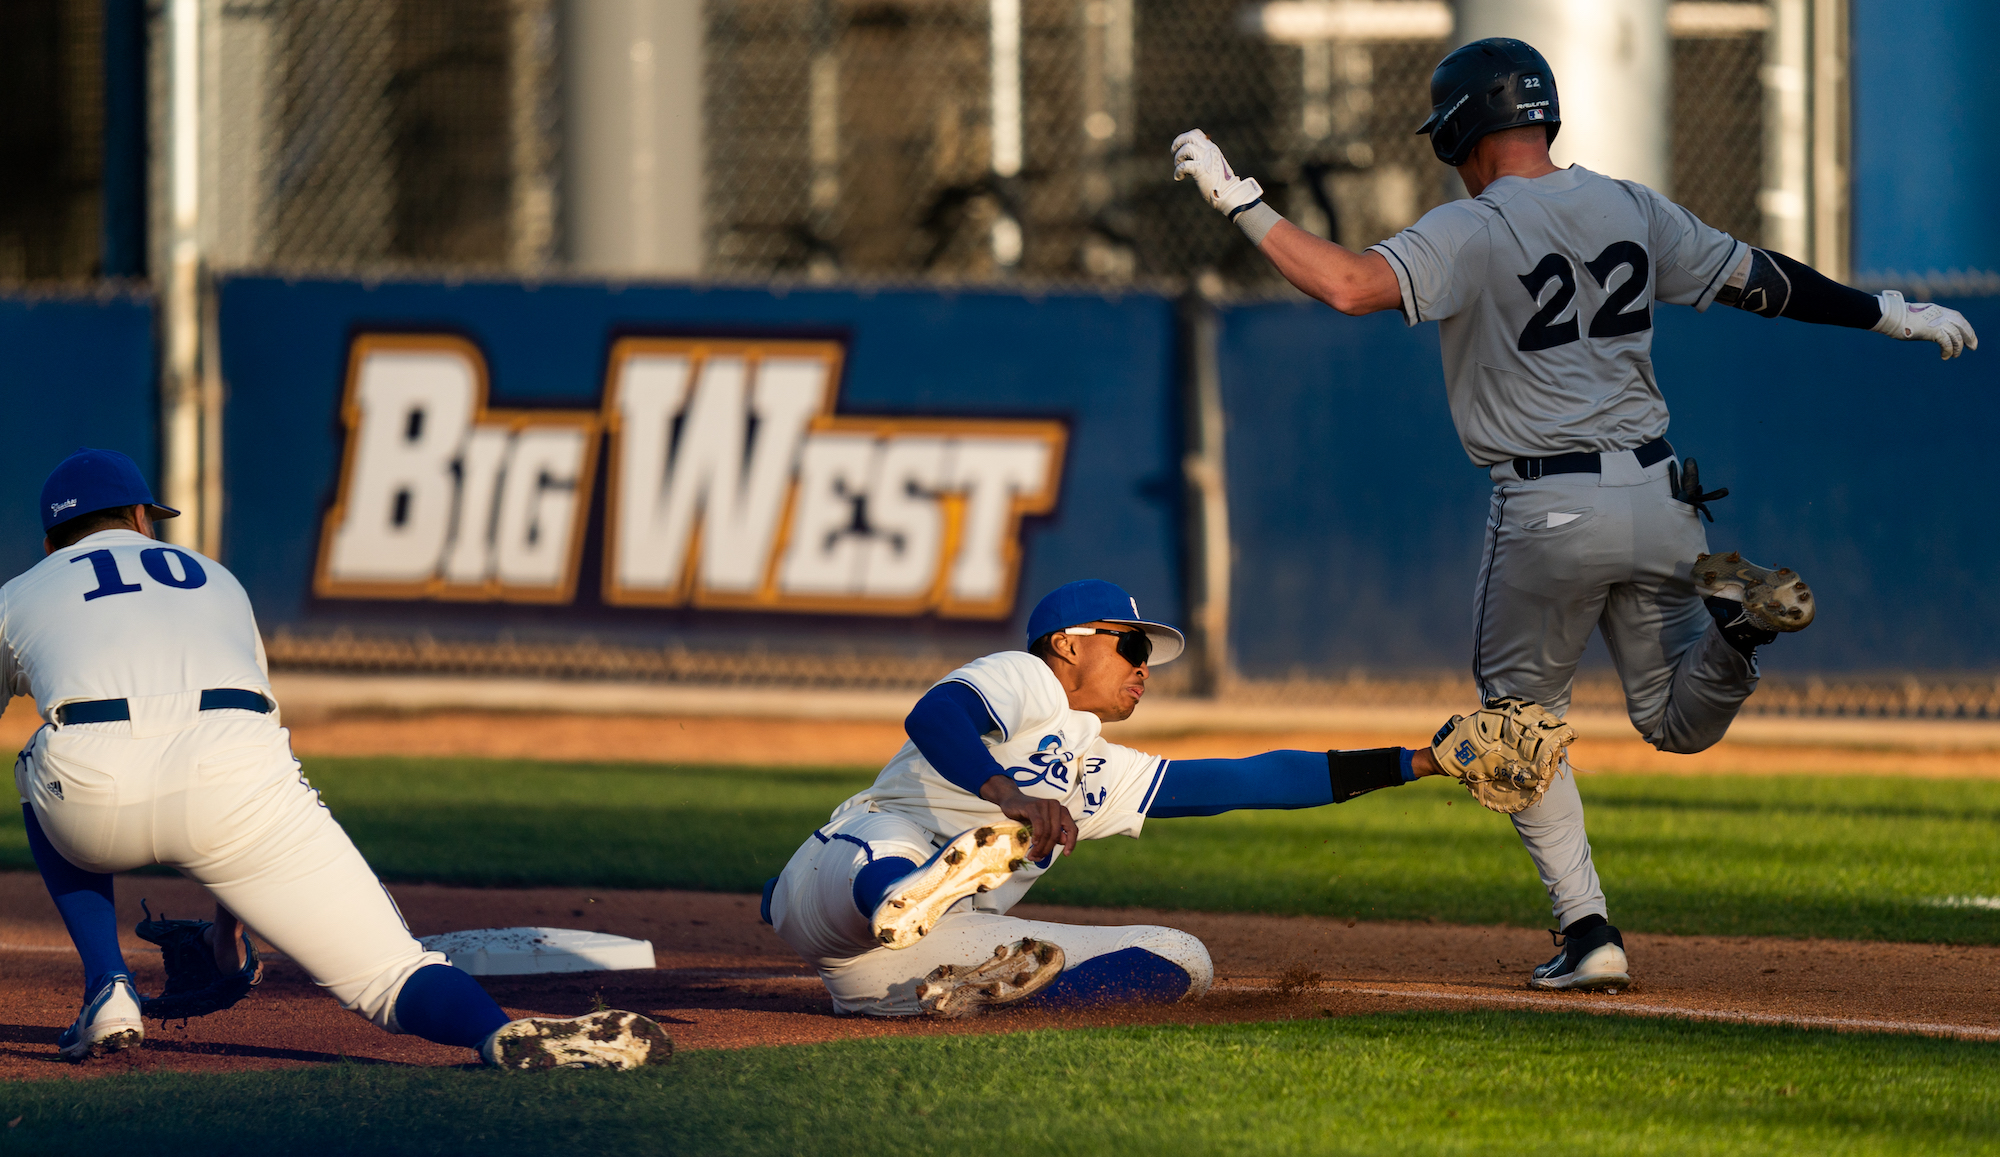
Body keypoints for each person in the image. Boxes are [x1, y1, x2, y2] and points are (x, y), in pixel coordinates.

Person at [1170, 38, 1978, 991]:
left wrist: (1239, 200)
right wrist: (1888, 312)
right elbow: (1763, 281)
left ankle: (1588, 930)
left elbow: (1346, 285)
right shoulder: (1630, 205)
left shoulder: (1474, 225)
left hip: (1548, 503)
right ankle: (1739, 634)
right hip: (1661, 493)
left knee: (1518, 727)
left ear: (1464, 131)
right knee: (1674, 721)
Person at [9, 448, 672, 1069]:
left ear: (50, 544)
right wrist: (225, 933)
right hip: (238, 787)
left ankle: (108, 987)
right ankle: (495, 1032)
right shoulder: (215, 578)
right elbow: (237, 729)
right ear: (139, 517)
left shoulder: (20, 593)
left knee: (39, 758)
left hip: (90, 795)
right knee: (392, 972)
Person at [762, 579, 1492, 1016]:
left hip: (909, 962)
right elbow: (934, 714)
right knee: (888, 852)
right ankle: (910, 889)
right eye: (1132, 648)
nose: (1144, 669)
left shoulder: (1096, 768)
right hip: (837, 880)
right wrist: (1005, 793)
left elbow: (1247, 780)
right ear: (1069, 643)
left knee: (1183, 959)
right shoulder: (1025, 677)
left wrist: (1420, 761)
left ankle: (980, 990)